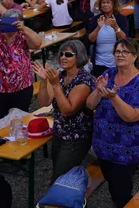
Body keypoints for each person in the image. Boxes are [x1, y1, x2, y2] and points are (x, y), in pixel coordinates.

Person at [86, 38, 139, 207]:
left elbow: (131, 116)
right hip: (103, 143)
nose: (120, 55)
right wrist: (99, 92)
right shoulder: (110, 73)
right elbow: (90, 104)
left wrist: (114, 98)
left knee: (121, 190)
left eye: (125, 52)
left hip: (126, 147)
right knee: (112, 182)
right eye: (117, 51)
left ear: (134, 56)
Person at [32, 39, 94, 183]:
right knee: (61, 174)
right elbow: (44, 102)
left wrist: (55, 86)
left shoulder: (84, 80)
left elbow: (67, 110)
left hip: (76, 138)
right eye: (62, 54)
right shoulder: (60, 75)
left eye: (68, 54)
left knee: (59, 179)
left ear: (79, 56)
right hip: (59, 133)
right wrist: (43, 81)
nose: (63, 57)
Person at [0, 9, 42, 136]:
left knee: (17, 124)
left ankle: (16, 152)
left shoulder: (23, 35)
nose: (10, 27)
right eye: (7, 22)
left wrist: (23, 28)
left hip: (21, 89)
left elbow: (37, 43)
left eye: (13, 23)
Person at [87, 0, 128, 77]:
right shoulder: (95, 19)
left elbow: (124, 39)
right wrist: (98, 27)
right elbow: (90, 39)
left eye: (108, 2)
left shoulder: (121, 19)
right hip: (99, 62)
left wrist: (116, 27)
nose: (105, 5)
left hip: (117, 62)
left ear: (113, 4)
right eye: (103, 2)